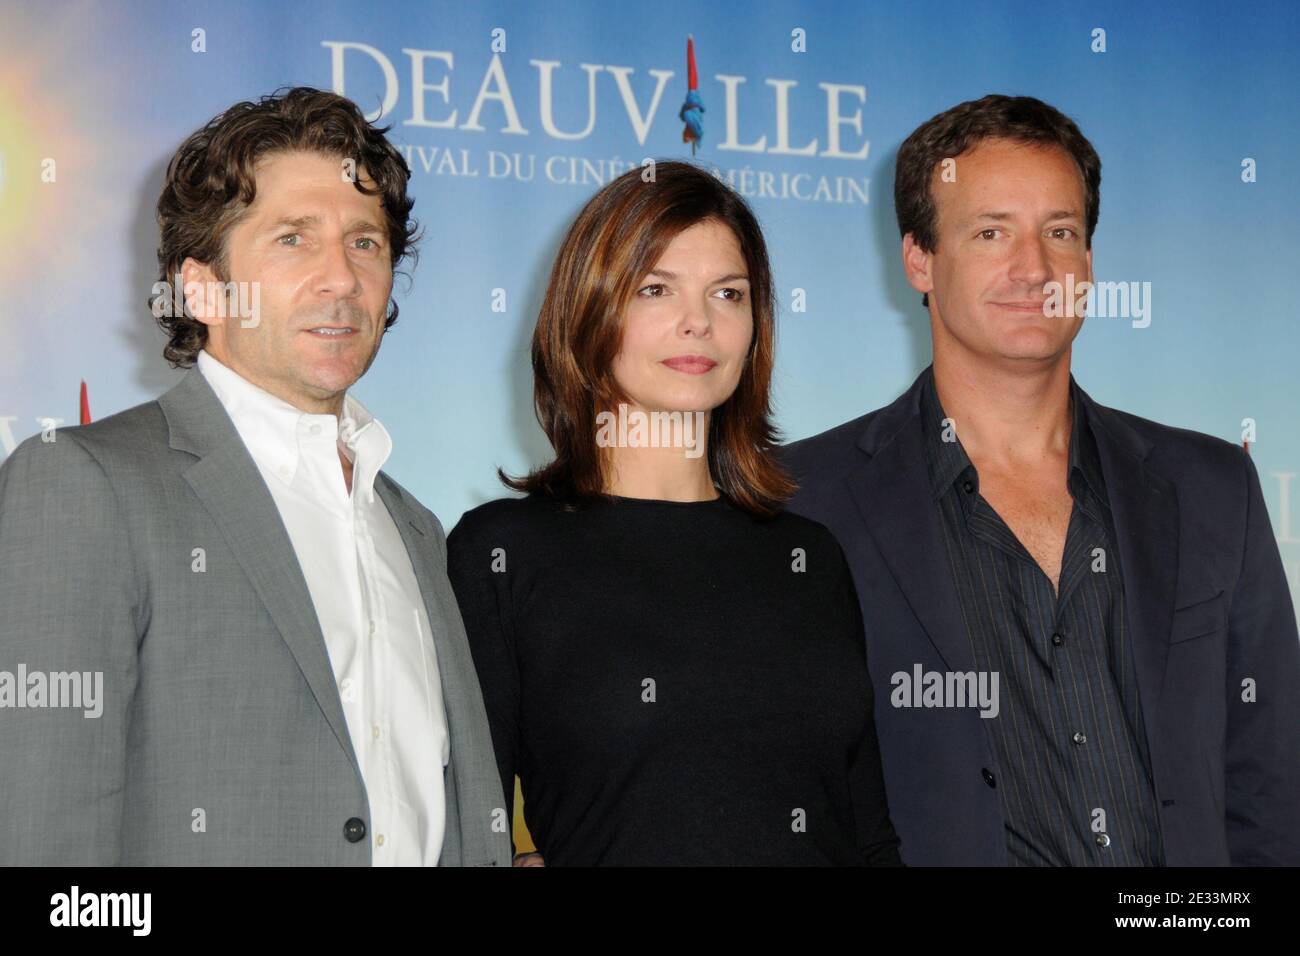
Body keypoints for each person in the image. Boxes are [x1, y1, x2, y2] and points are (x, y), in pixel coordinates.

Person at [784, 94, 1300, 866]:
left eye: (1060, 232)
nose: (1035, 269)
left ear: (1089, 263)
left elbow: (1272, 784)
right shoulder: (806, 501)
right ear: (919, 258)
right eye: (991, 232)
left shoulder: (1212, 485)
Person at [0, 87, 509, 866]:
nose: (340, 277)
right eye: (293, 240)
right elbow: (47, 851)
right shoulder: (85, 486)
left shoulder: (414, 527)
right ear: (202, 287)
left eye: (365, 243)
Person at [446, 161, 901, 866]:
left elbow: (869, 835)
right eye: (656, 289)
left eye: (729, 293)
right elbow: (465, 832)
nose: (700, 322)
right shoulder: (503, 553)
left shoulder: (808, 557)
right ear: (590, 309)